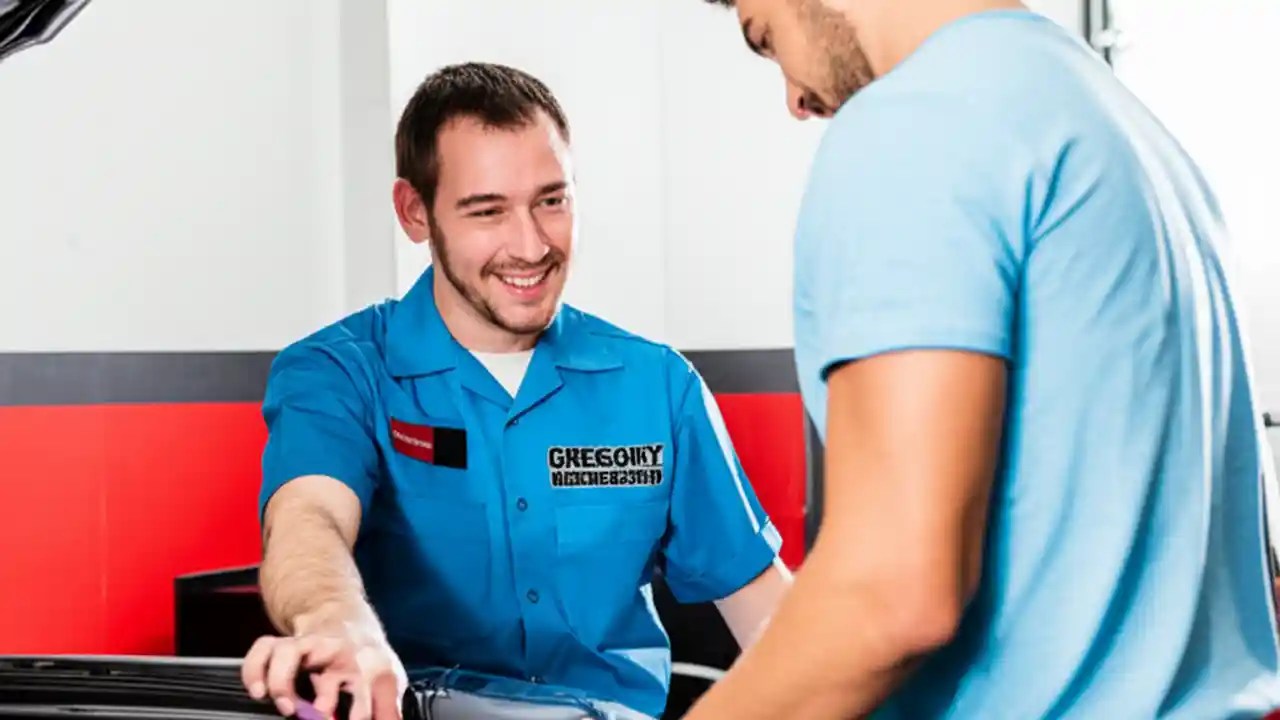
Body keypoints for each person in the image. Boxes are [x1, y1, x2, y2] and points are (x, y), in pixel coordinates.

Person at [682, 1, 1280, 719]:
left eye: (766, 39)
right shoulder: (1128, 131)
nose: (794, 99)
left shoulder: (917, 121)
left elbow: (891, 595)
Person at [239, 61, 791, 720]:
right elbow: (309, 521)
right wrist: (336, 623)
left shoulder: (659, 386)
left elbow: (770, 614)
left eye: (551, 201)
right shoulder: (340, 371)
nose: (530, 245)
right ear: (415, 212)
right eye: (487, 211)